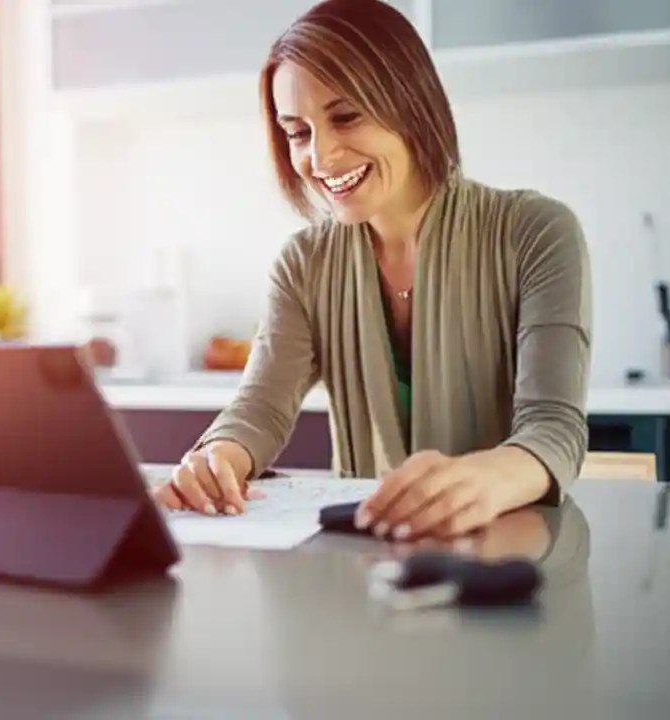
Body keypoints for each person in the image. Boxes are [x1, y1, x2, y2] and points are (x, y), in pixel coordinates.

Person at [152, 0, 592, 540]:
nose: (320, 157)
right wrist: (218, 457)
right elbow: (260, 408)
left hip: (506, 553)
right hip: (367, 559)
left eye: (346, 117)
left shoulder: (536, 232)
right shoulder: (303, 264)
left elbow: (554, 427)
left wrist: (486, 478)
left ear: (410, 103)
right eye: (298, 132)